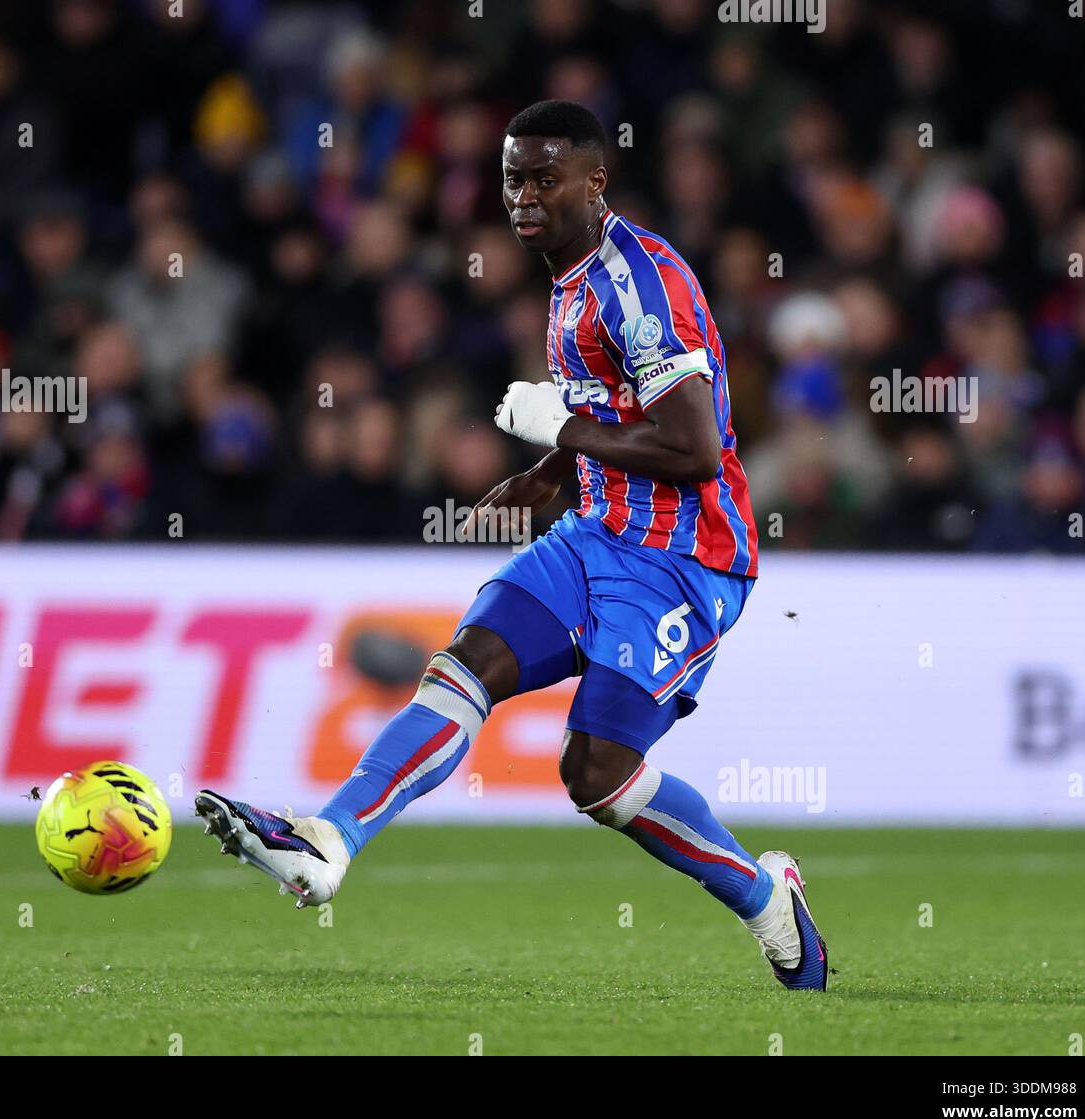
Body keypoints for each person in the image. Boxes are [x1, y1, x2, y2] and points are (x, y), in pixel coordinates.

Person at [196, 100, 827, 990]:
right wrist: (549, 472)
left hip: (686, 562)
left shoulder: (641, 283)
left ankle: (767, 901)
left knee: (597, 776)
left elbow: (690, 449)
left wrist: (564, 429)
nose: (524, 197)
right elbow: (616, 418)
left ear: (594, 181)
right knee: (466, 665)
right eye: (511, 180)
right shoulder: (568, 275)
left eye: (544, 179)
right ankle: (326, 843)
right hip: (593, 533)